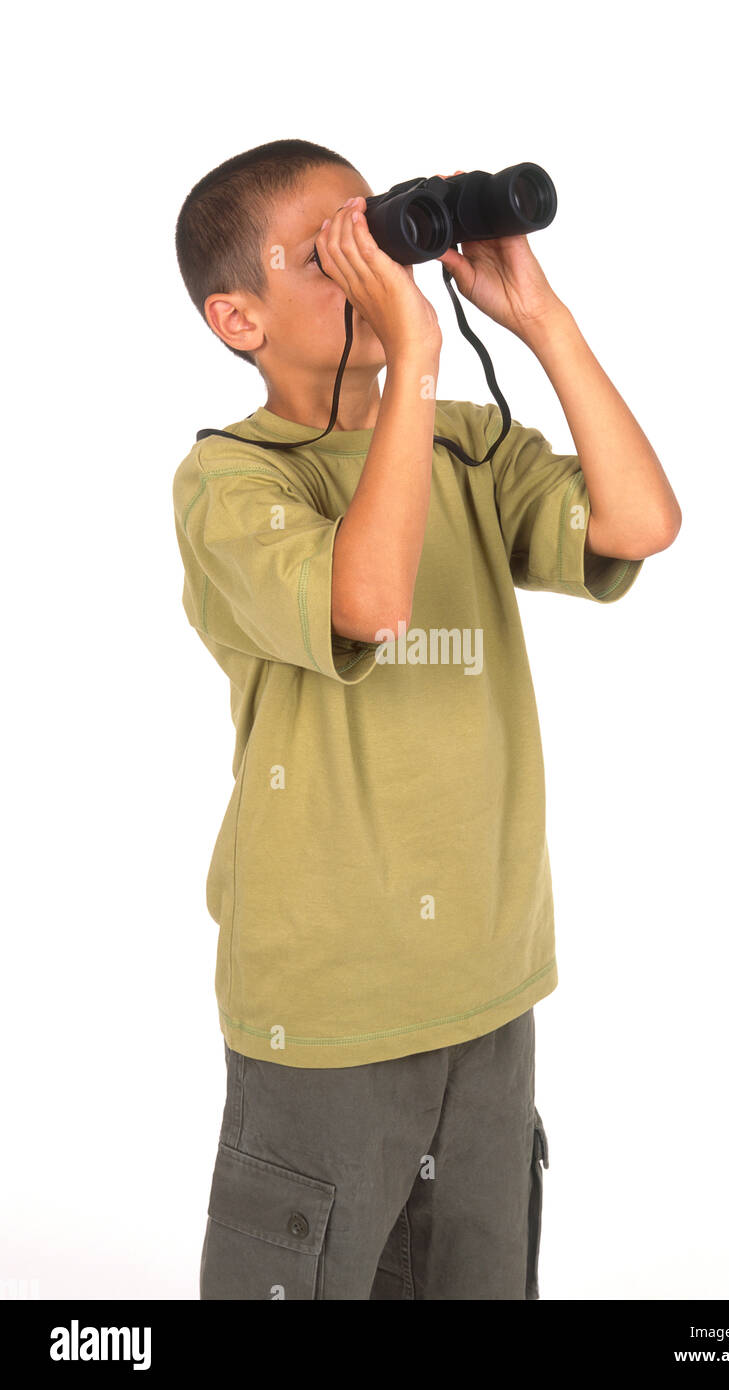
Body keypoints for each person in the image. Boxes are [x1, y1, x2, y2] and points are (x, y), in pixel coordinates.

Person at [172, 139, 681, 1300]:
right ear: (236, 319)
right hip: (329, 997)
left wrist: (538, 318)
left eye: (376, 236)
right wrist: (410, 358)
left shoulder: (462, 441)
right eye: (326, 256)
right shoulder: (231, 483)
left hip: (489, 977)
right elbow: (370, 598)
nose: (366, 276)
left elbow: (640, 520)